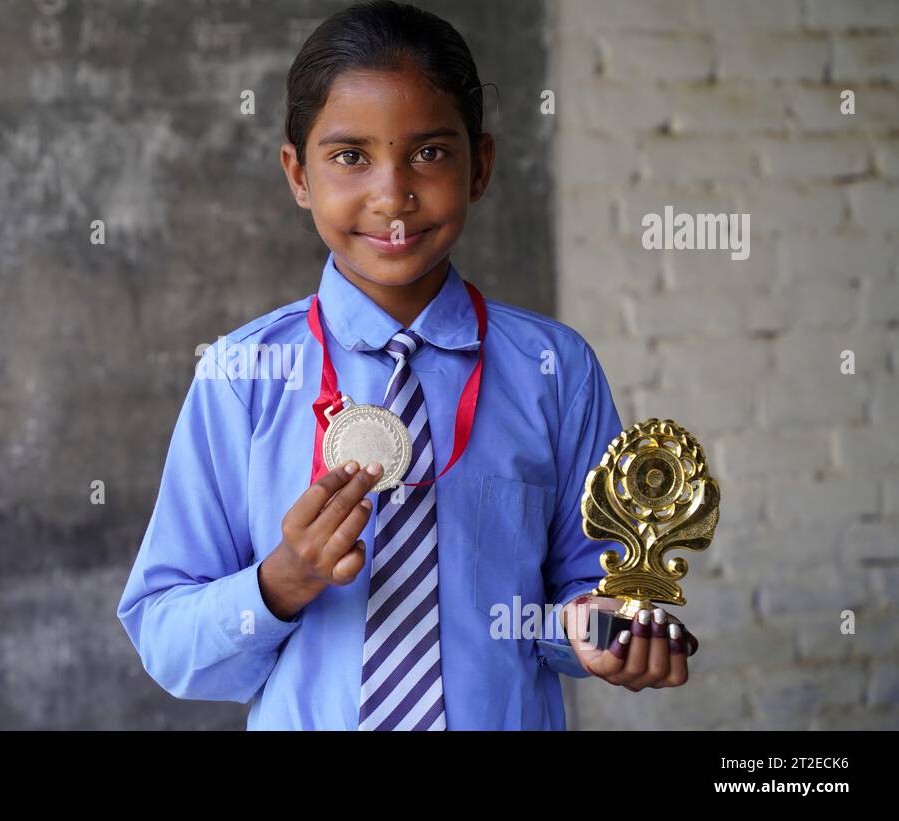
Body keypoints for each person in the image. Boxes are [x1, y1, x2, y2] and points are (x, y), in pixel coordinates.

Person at [117, 0, 698, 730]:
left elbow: (587, 593)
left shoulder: (555, 370)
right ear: (298, 173)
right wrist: (280, 582)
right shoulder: (241, 375)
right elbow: (165, 637)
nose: (392, 194)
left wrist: (606, 629)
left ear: (479, 165)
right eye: (350, 156)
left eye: (429, 152)